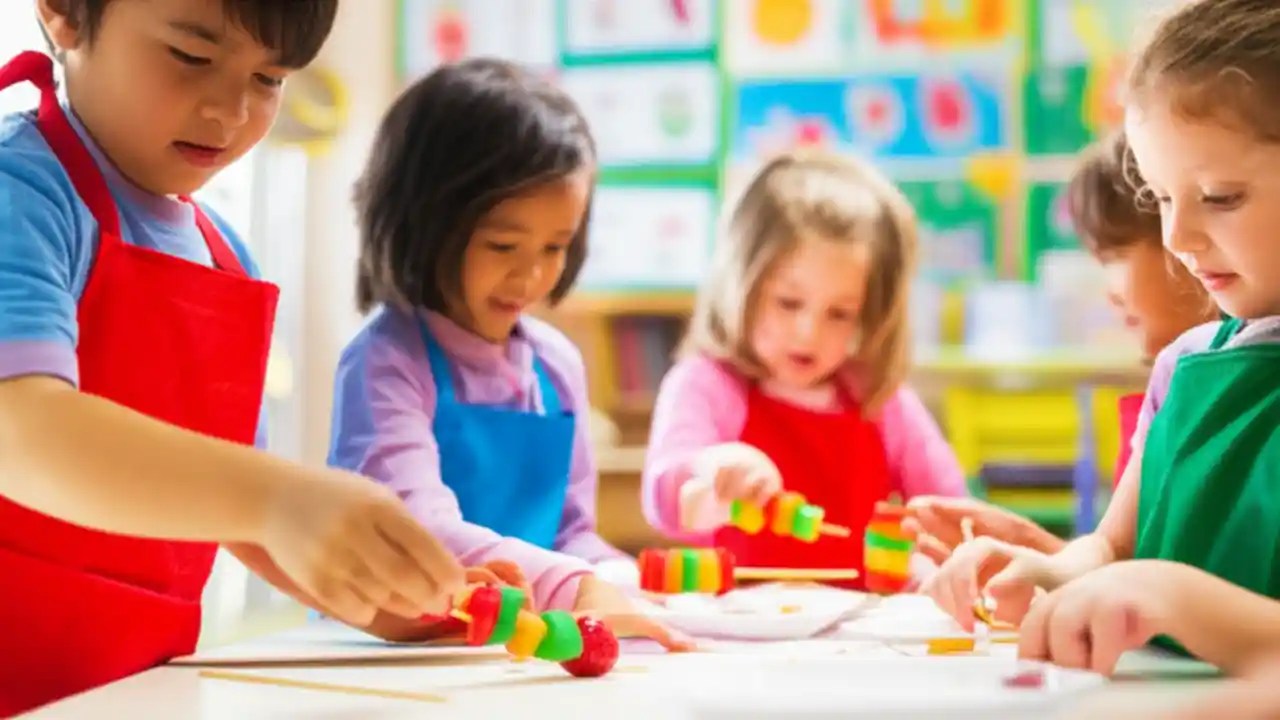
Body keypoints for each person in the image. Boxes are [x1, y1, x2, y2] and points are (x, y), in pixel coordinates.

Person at [0, 1, 468, 714]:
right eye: (191, 56)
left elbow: (244, 524)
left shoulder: (225, 259)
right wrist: (280, 498)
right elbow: (21, 429)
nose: (229, 110)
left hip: (129, 691)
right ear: (64, 12)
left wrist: (388, 597)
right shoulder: (20, 191)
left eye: (270, 78)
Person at [921, 0, 1280, 677]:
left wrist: (1169, 596)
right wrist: (1049, 570)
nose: (1176, 238)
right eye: (1163, 198)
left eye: (1220, 196)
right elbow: (1111, 548)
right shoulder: (1187, 366)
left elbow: (1151, 586)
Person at [328, 58, 689, 649]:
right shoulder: (386, 361)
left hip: (521, 651)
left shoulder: (556, 366)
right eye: (503, 244)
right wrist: (576, 589)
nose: (532, 274)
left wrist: (629, 582)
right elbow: (418, 535)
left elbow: (573, 536)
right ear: (426, 221)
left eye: (557, 245)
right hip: (399, 654)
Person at [640, 150, 966, 586]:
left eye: (840, 313)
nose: (808, 332)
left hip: (863, 635)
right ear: (743, 285)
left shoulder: (879, 400)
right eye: (788, 302)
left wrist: (929, 563)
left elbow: (950, 510)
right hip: (738, 634)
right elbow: (665, 499)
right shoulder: (708, 384)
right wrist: (713, 470)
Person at [903, 130, 1213, 565]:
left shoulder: (1227, 397)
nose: (1109, 293)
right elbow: (1131, 577)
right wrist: (1028, 546)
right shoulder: (1173, 385)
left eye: (1112, 257)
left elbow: (1161, 591)